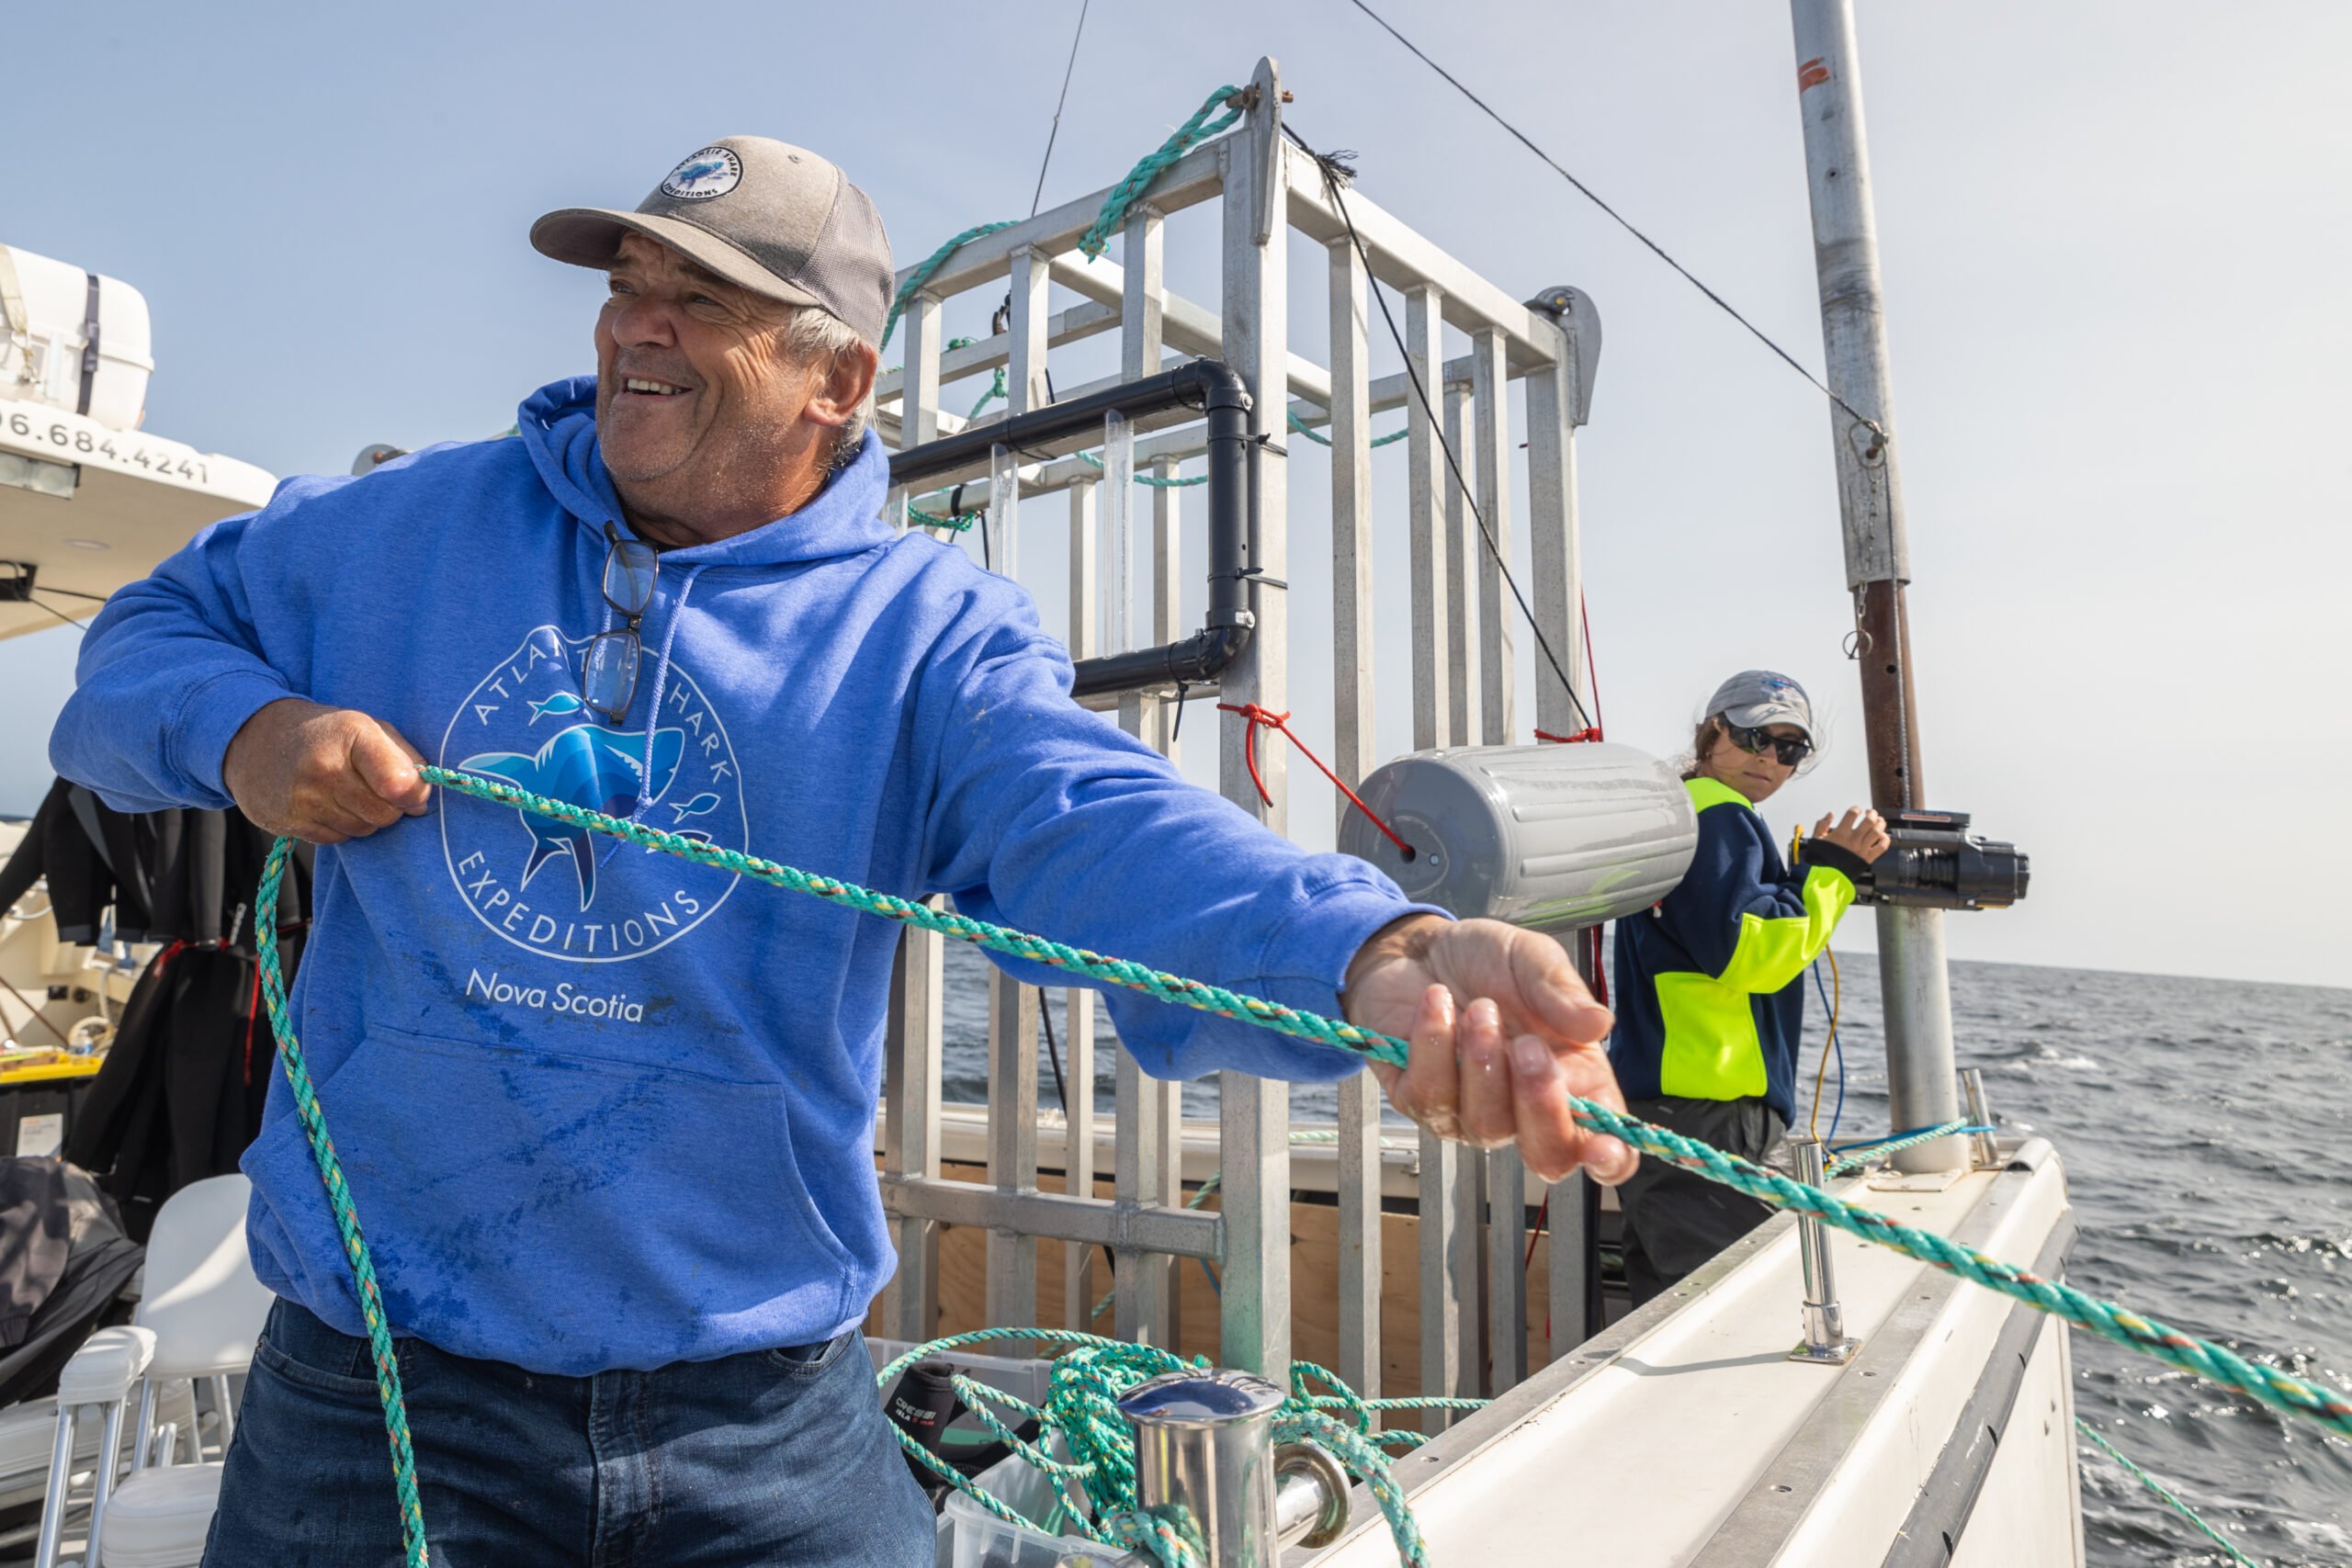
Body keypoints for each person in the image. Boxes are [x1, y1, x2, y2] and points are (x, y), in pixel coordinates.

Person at [51, 136, 1639, 1565]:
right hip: (375, 1390)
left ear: (838, 382)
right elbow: (132, 651)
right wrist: (246, 735)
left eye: (704, 301)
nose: (635, 327)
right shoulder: (386, 532)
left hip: (760, 1421)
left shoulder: (929, 634)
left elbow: (1088, 828)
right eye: (628, 287)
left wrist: (1376, 952)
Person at [1607, 671, 1888, 1305]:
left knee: (1666, 1312)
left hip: (1671, 1106)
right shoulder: (1718, 813)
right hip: (1707, 1107)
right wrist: (1832, 875)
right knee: (1726, 1309)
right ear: (1714, 732)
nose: (1771, 759)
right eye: (1758, 737)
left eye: (1791, 749)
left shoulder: (1685, 811)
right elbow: (1748, 951)